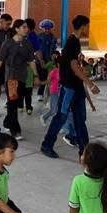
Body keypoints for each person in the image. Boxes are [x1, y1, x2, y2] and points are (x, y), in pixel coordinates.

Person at [40, 16, 93, 158]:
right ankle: (47, 145)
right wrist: (90, 83)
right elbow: (74, 66)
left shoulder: (75, 42)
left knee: (80, 119)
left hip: (77, 87)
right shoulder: (72, 43)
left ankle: (84, 150)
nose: (88, 29)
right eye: (87, 26)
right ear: (82, 26)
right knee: (61, 117)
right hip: (69, 87)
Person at [0, 18, 33, 139]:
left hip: (23, 77)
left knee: (14, 102)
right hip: (11, 79)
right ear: (17, 29)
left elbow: (31, 61)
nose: (26, 29)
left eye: (27, 27)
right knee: (13, 103)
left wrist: (36, 76)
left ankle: (7, 123)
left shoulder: (27, 44)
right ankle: (15, 131)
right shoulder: (8, 43)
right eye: (24, 27)